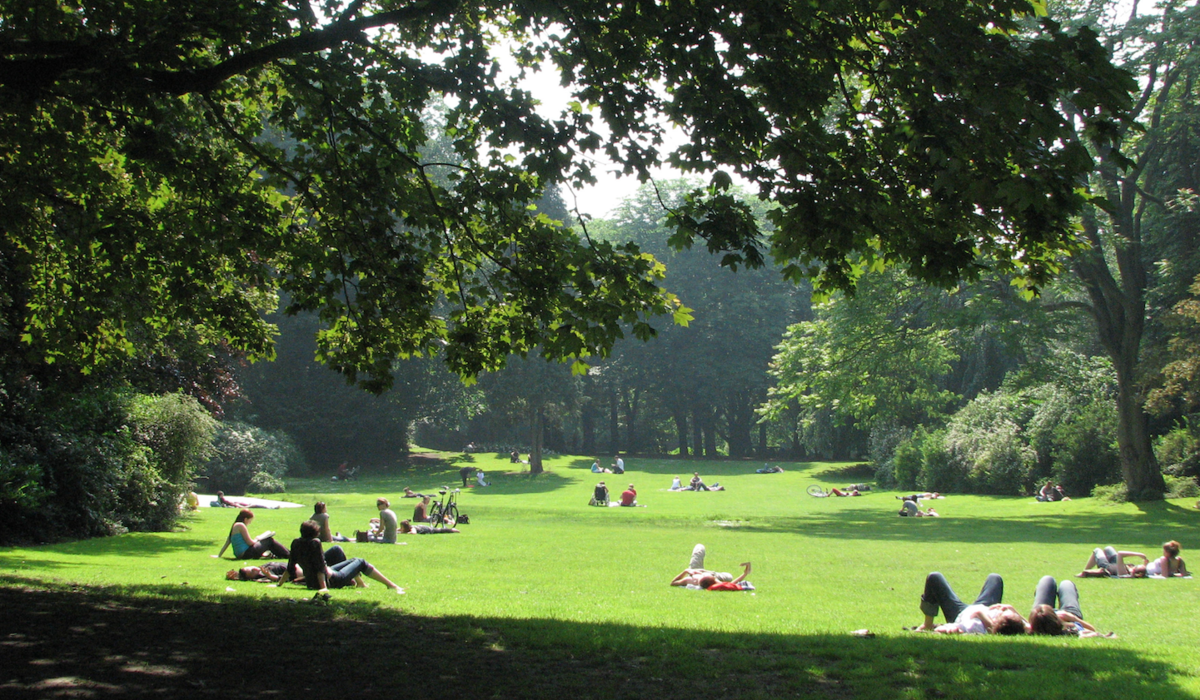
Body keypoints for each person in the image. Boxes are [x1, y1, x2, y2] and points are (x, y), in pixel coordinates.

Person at [277, 521, 404, 594]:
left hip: (312, 581)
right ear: (316, 533)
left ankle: (360, 584)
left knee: (338, 550)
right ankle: (391, 585)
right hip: (333, 580)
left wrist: (279, 585)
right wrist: (323, 588)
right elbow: (320, 568)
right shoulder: (315, 543)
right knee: (361, 561)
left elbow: (290, 567)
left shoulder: (296, 542)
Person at [913, 572, 1025, 635]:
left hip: (960, 613)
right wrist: (1012, 610)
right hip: (986, 606)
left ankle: (927, 624)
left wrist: (989, 622)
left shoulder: (975, 627)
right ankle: (927, 624)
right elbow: (1030, 626)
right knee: (995, 578)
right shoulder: (1016, 625)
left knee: (934, 577)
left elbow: (977, 613)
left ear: (998, 623)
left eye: (1003, 615)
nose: (1003, 611)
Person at [1028, 576, 1100, 637]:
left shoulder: (1031, 627)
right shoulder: (1071, 627)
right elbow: (1092, 629)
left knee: (1047, 579)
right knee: (1066, 584)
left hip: (1039, 618)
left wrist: (1035, 617)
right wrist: (1072, 617)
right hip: (1069, 614)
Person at [215, 509, 290, 560]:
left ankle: (286, 554)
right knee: (269, 541)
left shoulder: (235, 526)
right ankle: (288, 554)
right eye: (250, 520)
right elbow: (250, 543)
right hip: (246, 554)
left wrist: (219, 555)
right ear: (245, 519)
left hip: (240, 554)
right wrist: (257, 539)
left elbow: (227, 542)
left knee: (270, 543)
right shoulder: (241, 525)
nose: (250, 523)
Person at [670, 544, 738, 587]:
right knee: (729, 576)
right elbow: (729, 585)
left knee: (699, 547)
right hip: (712, 574)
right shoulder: (714, 579)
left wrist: (686, 571)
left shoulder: (690, 579)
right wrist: (744, 574)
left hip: (694, 570)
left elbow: (673, 583)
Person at [1076, 546, 1150, 578]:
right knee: (1108, 548)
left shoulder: (1124, 572)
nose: (1133, 566)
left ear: (1134, 571)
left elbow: (1120, 554)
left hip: (1106, 566)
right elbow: (1142, 572)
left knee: (1097, 550)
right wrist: (1145, 565)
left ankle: (1085, 570)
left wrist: (1138, 554)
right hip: (1115, 563)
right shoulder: (1134, 572)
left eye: (1135, 567)